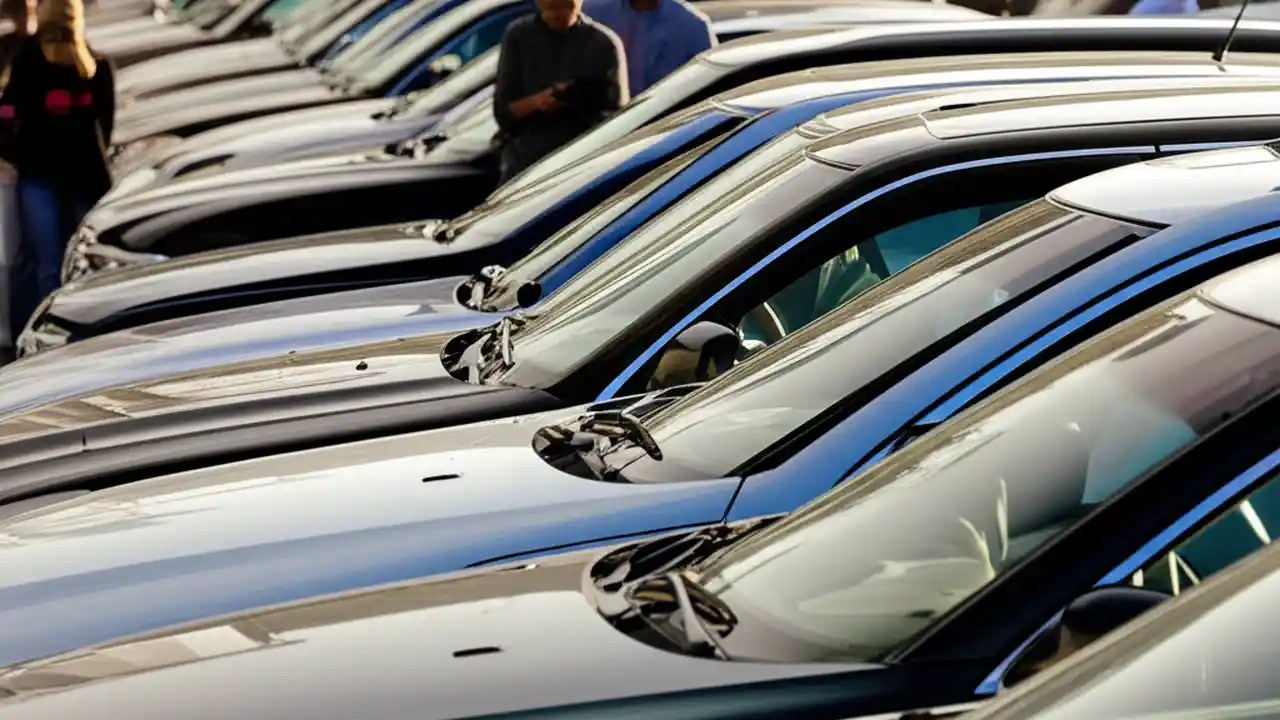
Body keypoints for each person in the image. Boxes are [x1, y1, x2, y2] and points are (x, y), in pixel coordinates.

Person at [2, 0, 114, 330]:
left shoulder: (94, 67)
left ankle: (62, 331)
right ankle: (49, 333)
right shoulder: (32, 63)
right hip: (55, 176)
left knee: (63, 262)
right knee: (51, 262)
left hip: (63, 177)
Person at [493, 0, 627, 183]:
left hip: (581, 162)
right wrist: (539, 102)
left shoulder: (602, 43)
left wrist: (577, 99)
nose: (557, 13)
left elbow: (619, 117)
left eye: (565, 5)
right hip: (526, 162)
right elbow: (503, 111)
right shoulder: (518, 36)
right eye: (551, 6)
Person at [585, 0, 714, 96]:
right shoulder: (595, 13)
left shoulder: (692, 27)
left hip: (667, 124)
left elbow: (709, 92)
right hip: (604, 127)